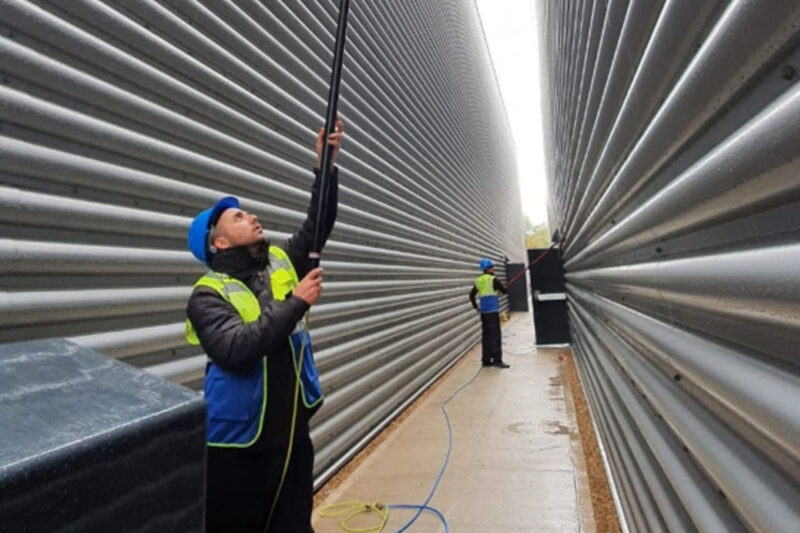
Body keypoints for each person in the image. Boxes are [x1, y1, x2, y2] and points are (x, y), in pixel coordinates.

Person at [184, 118, 344, 533]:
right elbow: (236, 350)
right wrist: (296, 303)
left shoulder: (280, 260)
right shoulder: (206, 295)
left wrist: (324, 166)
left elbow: (318, 224)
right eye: (238, 218)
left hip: (290, 438)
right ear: (219, 242)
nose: (252, 217)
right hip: (238, 448)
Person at [469, 258, 510, 368]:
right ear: (488, 268)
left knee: (486, 336)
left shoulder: (479, 280)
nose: (493, 269)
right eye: (492, 267)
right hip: (493, 311)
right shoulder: (493, 279)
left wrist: (476, 307)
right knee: (495, 336)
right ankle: (497, 360)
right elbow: (505, 291)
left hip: (484, 313)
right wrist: (504, 288)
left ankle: (486, 360)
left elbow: (471, 295)